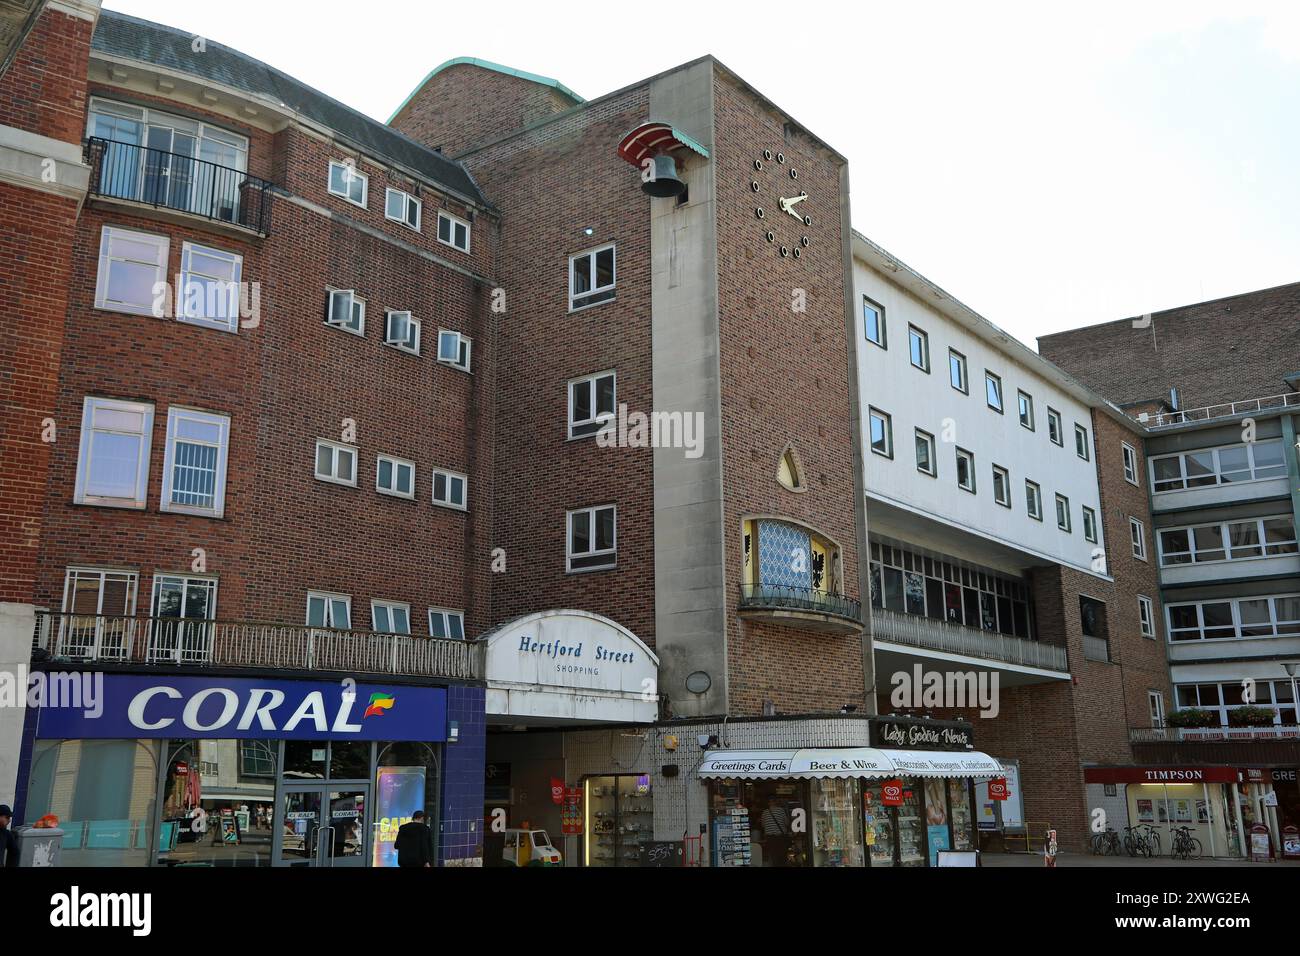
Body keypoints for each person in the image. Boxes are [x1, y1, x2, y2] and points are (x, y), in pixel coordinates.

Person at [759, 797, 791, 868]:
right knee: (782, 857)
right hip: (780, 837)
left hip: (770, 838)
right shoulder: (781, 810)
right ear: (775, 802)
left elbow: (763, 825)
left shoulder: (764, 812)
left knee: (773, 856)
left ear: (768, 803)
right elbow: (787, 823)